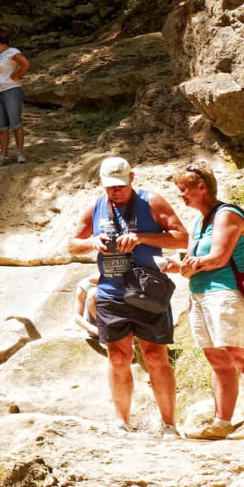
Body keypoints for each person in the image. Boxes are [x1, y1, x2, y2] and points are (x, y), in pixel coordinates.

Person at [68, 156, 188, 436]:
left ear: (132, 178)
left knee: (156, 356)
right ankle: (123, 422)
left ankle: (169, 425)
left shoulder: (152, 202)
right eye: (110, 187)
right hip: (111, 292)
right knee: (118, 357)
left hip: (148, 290)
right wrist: (91, 243)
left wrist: (142, 237)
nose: (115, 191)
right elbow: (73, 245)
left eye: (120, 186)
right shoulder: (96, 207)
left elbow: (182, 238)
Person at [168, 165, 244, 439]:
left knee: (241, 355)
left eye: (184, 190)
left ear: (202, 187)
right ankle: (221, 422)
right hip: (200, 294)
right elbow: (192, 261)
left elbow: (218, 258)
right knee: (216, 360)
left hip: (227, 292)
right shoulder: (197, 222)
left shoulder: (227, 215)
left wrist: (192, 264)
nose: (181, 196)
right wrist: (175, 265)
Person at [0, 31, 30, 164]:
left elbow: (25, 63)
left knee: (15, 123)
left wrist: (16, 75)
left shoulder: (12, 51)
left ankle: (20, 154)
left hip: (11, 90)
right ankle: (4, 155)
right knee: (2, 126)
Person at [72, 272, 101, 346]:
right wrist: (94, 329)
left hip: (117, 323)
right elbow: (77, 316)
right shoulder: (85, 284)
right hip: (96, 326)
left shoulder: (118, 281)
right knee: (93, 292)